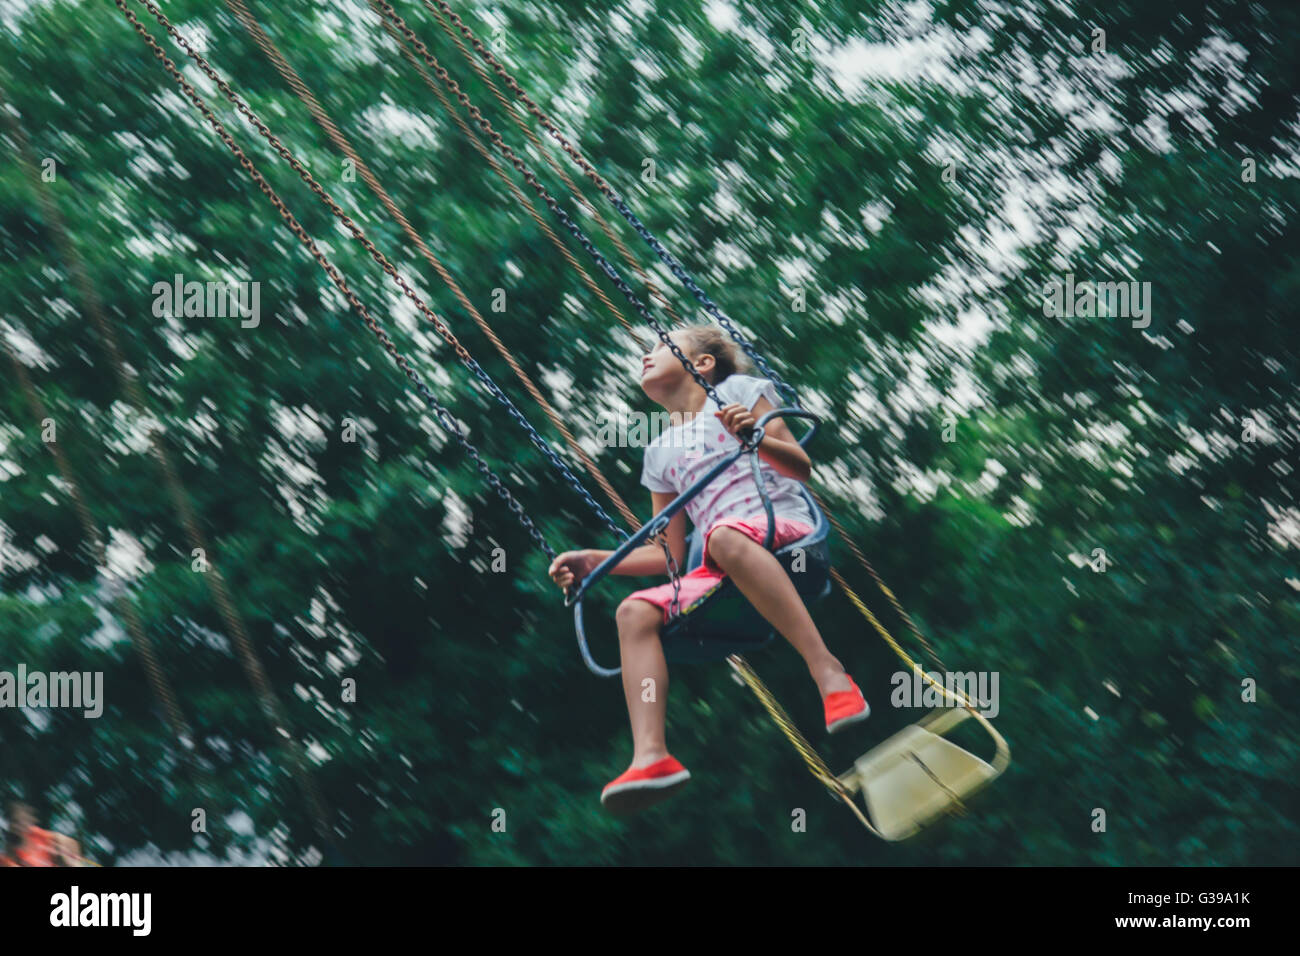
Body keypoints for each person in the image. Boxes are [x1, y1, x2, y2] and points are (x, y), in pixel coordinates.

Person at [549, 326, 869, 813]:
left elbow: (800, 467)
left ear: (701, 364)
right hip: (723, 559)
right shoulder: (659, 453)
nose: (644, 356)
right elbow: (671, 558)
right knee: (634, 613)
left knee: (720, 535)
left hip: (782, 529)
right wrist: (596, 561)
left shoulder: (739, 393)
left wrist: (754, 437)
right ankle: (652, 755)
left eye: (657, 348)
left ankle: (828, 671)